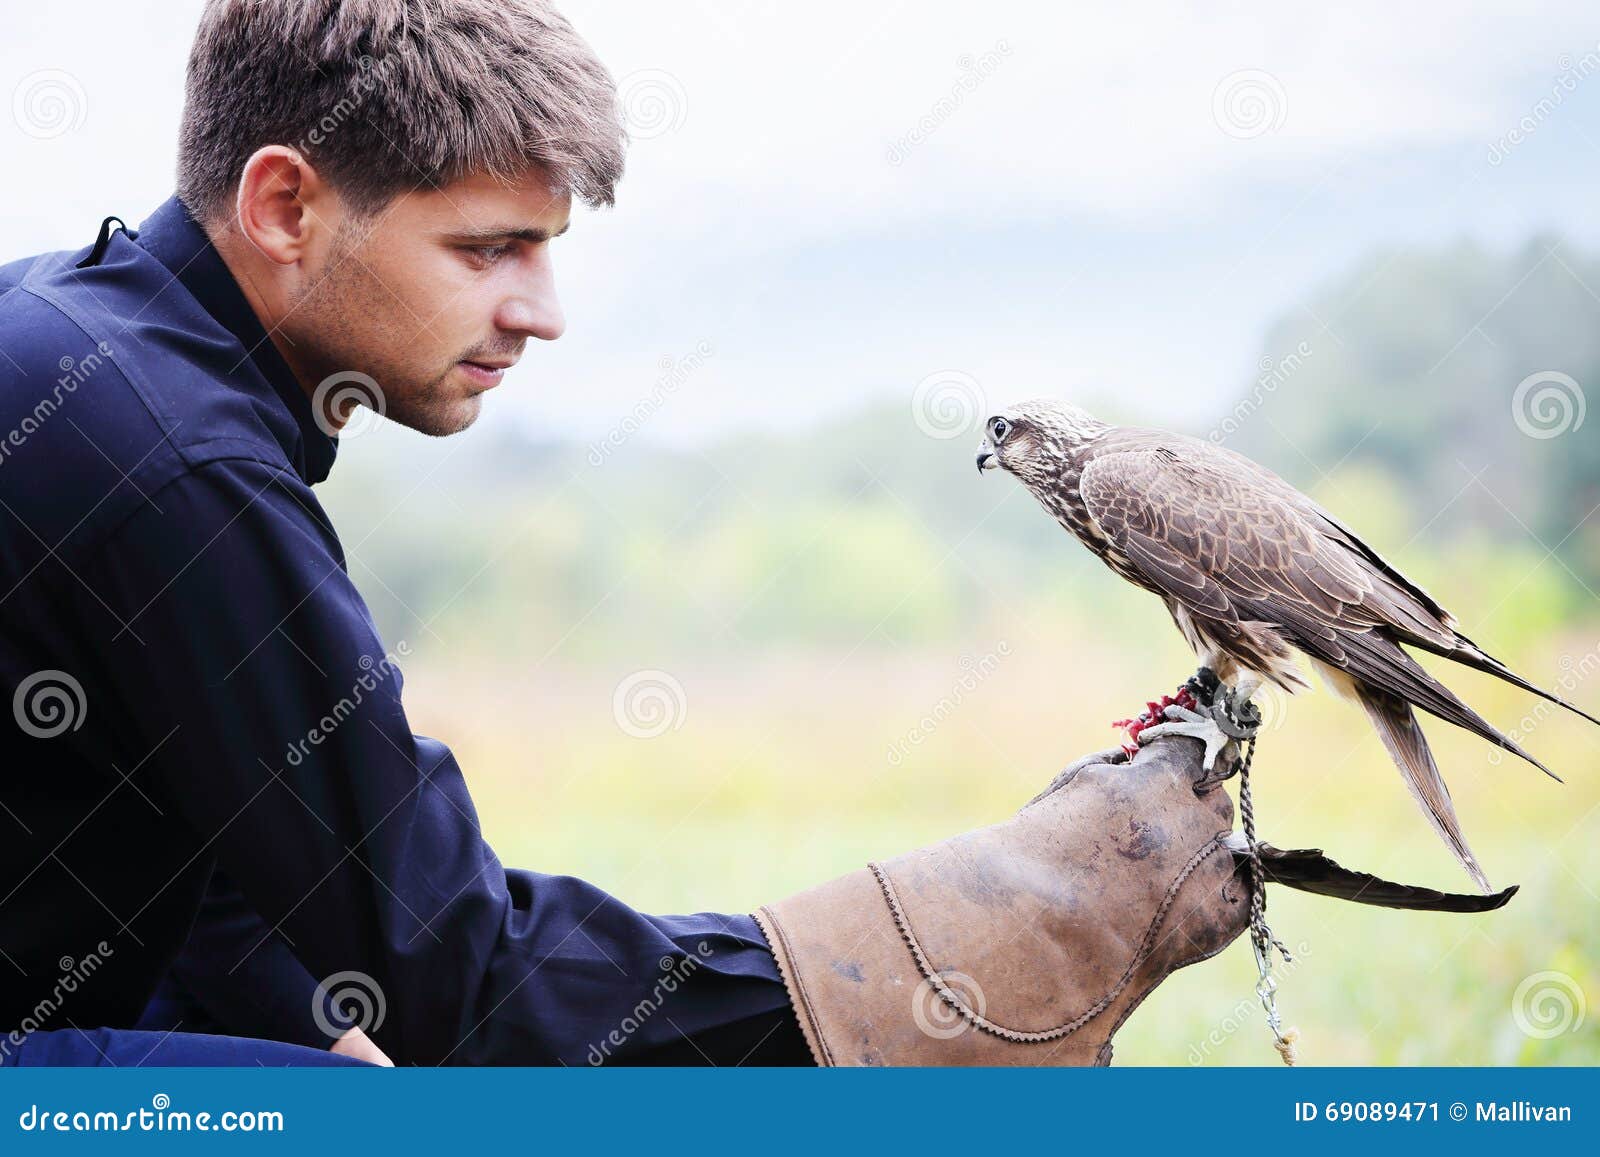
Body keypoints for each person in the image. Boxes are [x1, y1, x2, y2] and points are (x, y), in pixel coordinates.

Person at [0, 0, 1246, 1068]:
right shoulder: (178, 464)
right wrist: (885, 966)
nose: (541, 311)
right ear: (285, 204)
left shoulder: (66, 334)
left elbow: (195, 836)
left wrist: (318, 1017)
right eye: (489, 248)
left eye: (547, 249)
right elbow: (458, 971)